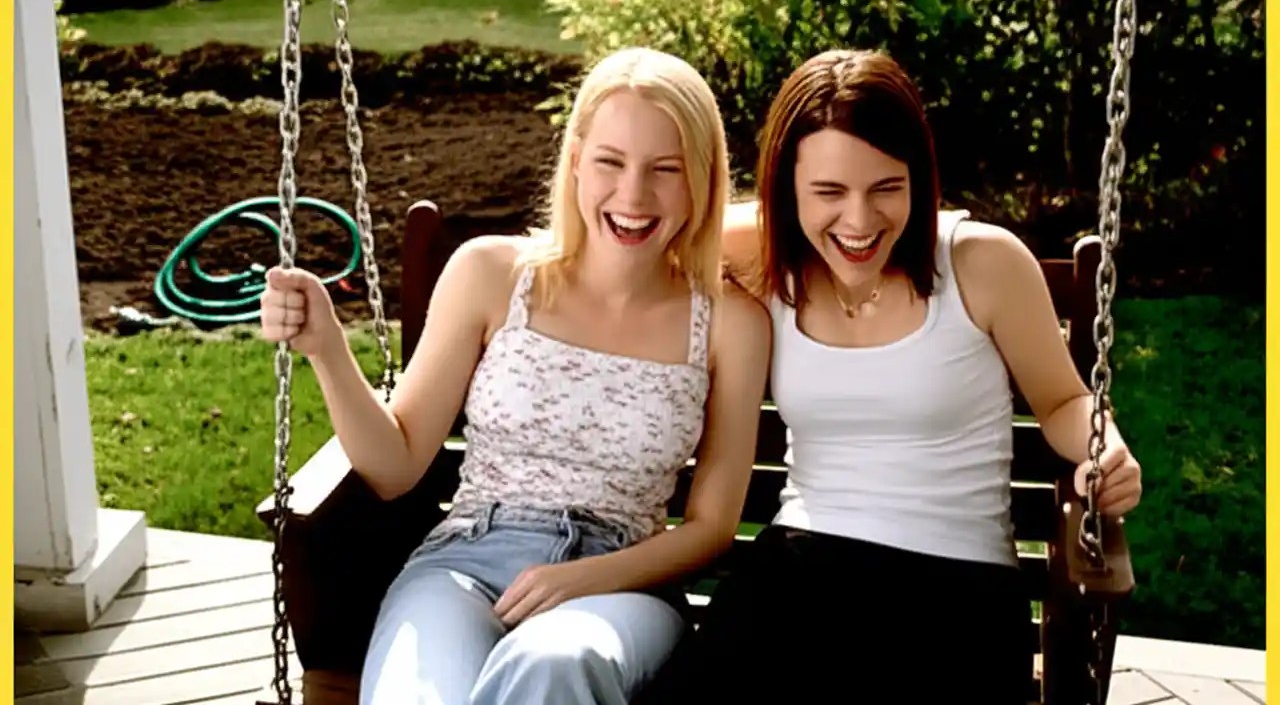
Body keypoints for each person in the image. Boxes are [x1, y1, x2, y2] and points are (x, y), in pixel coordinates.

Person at [258, 46, 772, 705]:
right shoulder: (492, 275)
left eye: (664, 170)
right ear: (577, 159)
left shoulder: (729, 323)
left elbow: (712, 526)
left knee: (554, 661)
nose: (633, 195)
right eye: (611, 162)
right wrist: (327, 346)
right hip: (463, 564)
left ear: (702, 177)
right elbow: (393, 466)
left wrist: (585, 578)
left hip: (623, 584)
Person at [672, 49, 1145, 702]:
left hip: (956, 588)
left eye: (885, 188)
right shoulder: (771, 262)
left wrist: (1107, 453)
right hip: (800, 569)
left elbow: (1065, 400)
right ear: (787, 191)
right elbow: (645, 238)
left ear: (918, 179)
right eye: (829, 192)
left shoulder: (981, 265)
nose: (859, 222)